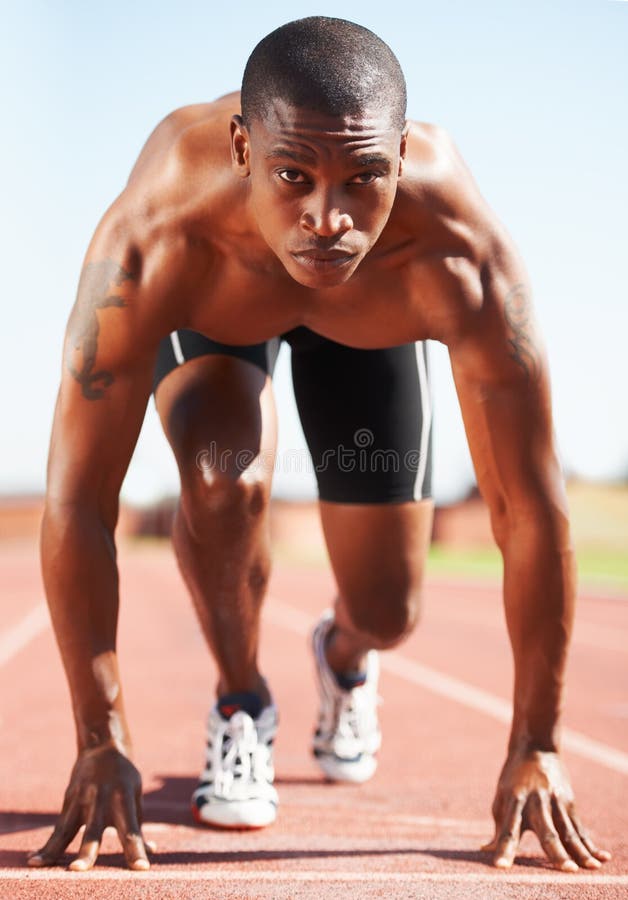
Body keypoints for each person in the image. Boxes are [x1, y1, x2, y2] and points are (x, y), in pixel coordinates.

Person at [29, 16, 610, 874]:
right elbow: (78, 502)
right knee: (225, 477)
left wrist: (539, 741)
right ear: (240, 148)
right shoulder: (155, 240)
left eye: (363, 178)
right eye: (293, 176)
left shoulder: (459, 256)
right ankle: (240, 704)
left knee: (388, 612)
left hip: (374, 326)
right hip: (215, 317)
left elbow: (529, 507)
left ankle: (342, 656)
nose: (328, 218)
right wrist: (99, 734)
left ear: (403, 156)